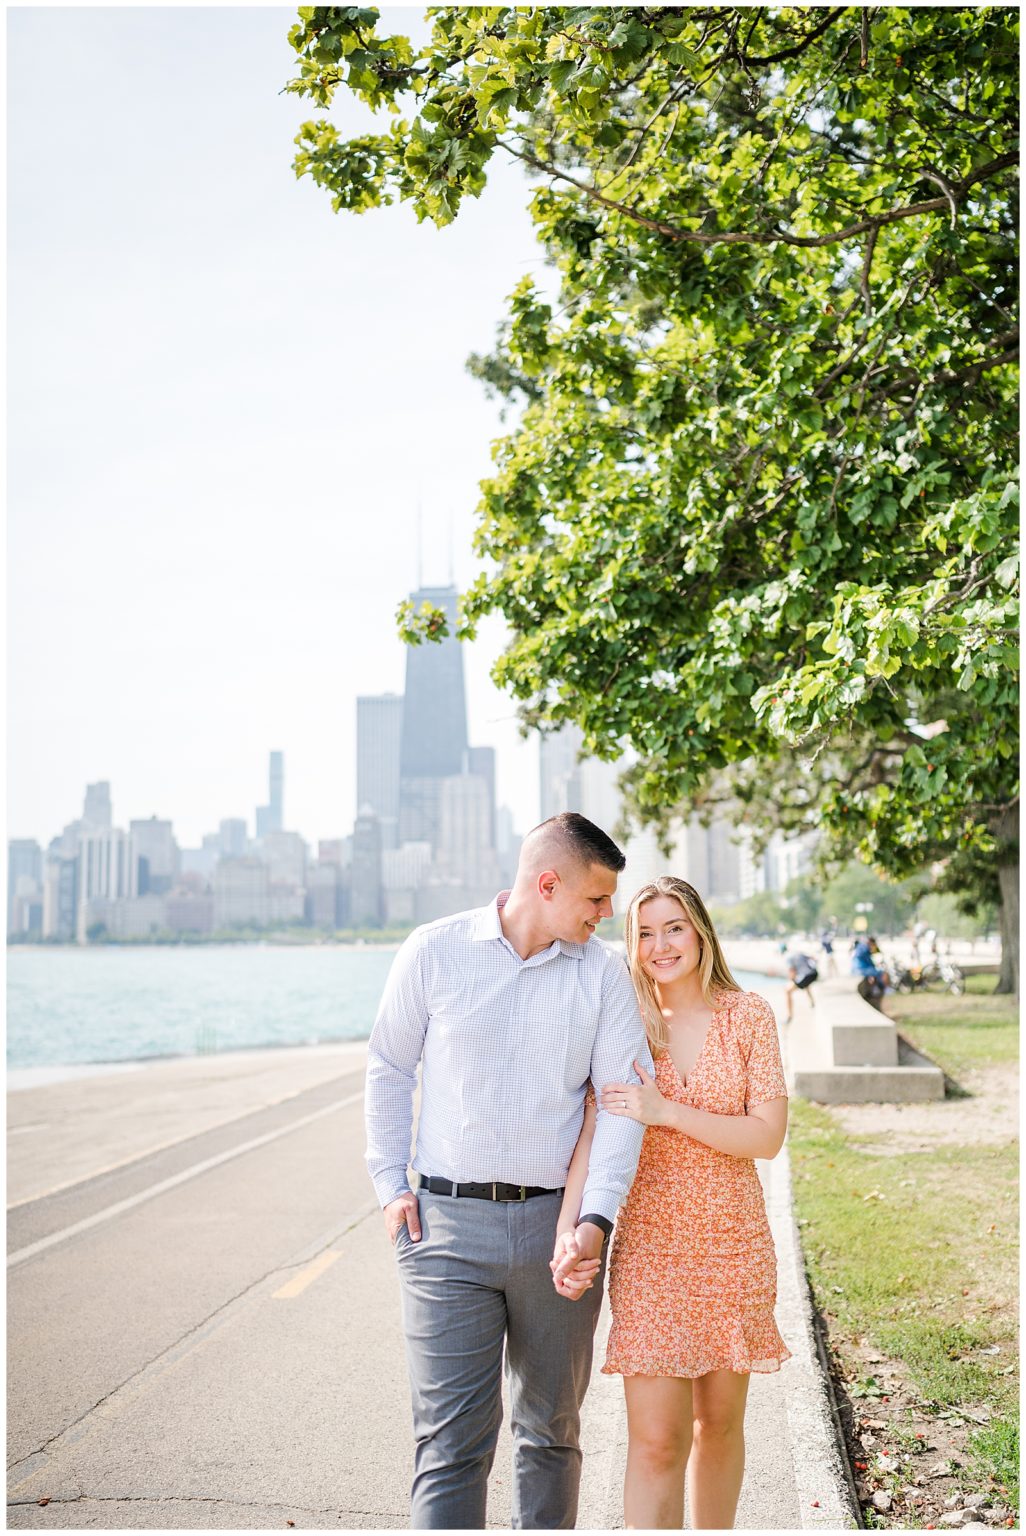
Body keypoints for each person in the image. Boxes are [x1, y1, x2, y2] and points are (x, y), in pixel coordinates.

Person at [365, 812, 653, 1530]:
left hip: (556, 1235)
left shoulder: (604, 976)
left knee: (550, 1434)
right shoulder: (433, 952)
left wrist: (594, 1221)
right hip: (443, 1233)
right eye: (595, 899)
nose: (606, 914)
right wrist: (389, 1182)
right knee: (449, 1445)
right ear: (547, 883)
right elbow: (389, 1066)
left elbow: (620, 1106)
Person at [554, 875, 790, 1530]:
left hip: (731, 1245)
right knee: (658, 1441)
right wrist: (571, 1226)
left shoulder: (749, 1017)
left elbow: (766, 1136)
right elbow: (593, 1130)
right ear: (632, 946)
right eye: (646, 932)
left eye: (675, 927)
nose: (662, 945)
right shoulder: (625, 1021)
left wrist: (666, 1110)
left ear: (701, 931)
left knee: (718, 1426)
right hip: (653, 1252)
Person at [783, 948, 818, 1022]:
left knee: (787, 991)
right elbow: (813, 958)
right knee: (805, 984)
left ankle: (789, 1015)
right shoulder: (797, 952)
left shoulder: (788, 958)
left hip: (807, 976)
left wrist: (792, 981)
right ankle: (812, 1003)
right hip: (814, 974)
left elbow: (792, 972)